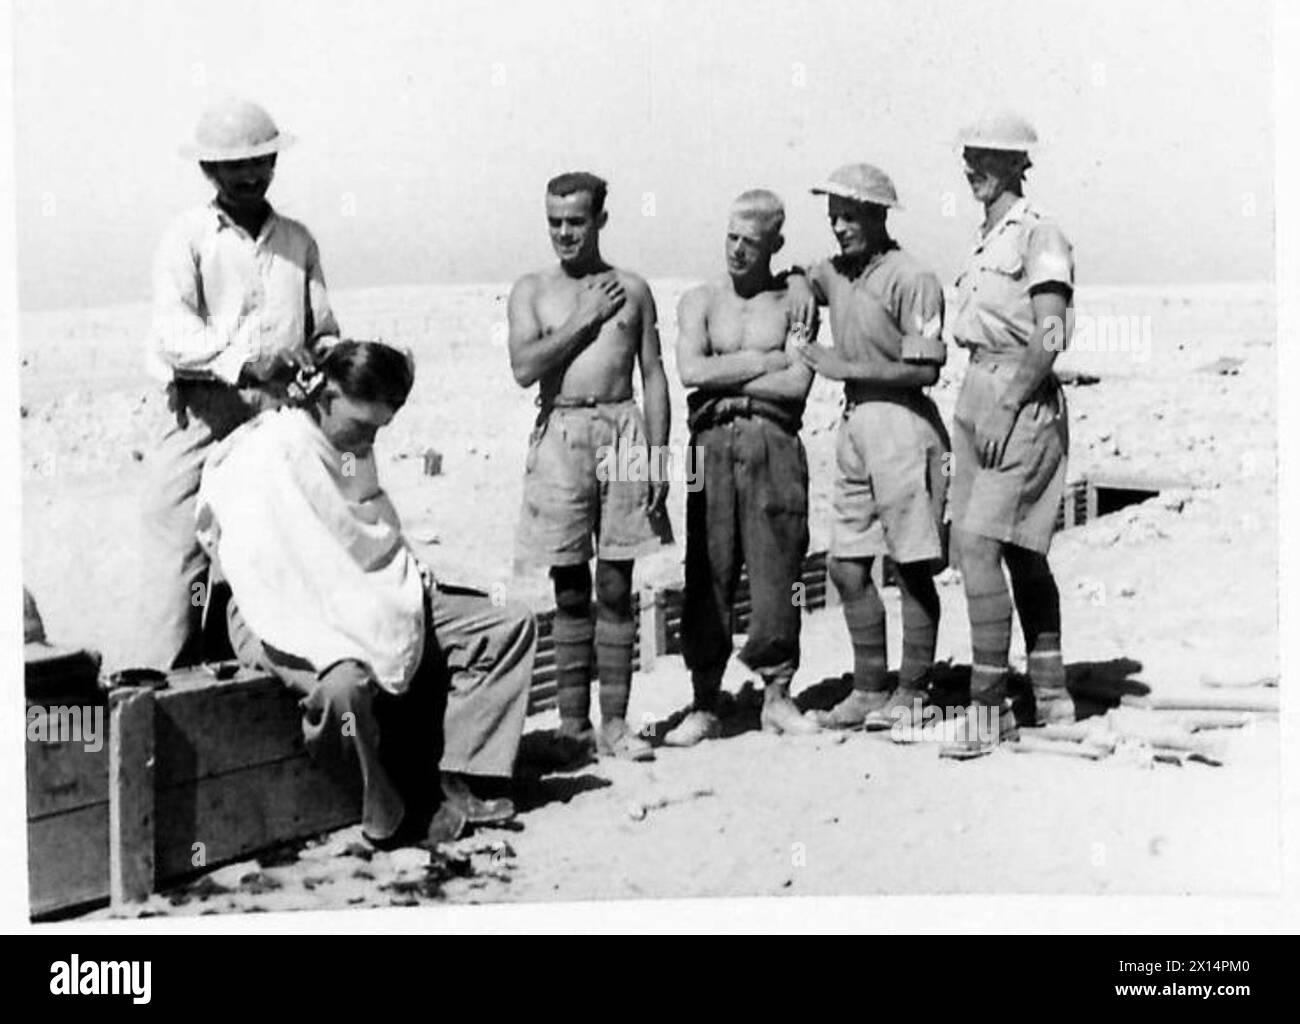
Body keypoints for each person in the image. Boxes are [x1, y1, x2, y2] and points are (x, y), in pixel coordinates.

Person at [196, 340, 536, 848]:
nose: (370, 437)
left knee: (507, 623)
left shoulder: (352, 449)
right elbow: (265, 565)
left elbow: (363, 515)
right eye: (363, 425)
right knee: (344, 690)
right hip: (276, 607)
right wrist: (347, 602)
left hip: (363, 586)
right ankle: (391, 814)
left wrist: (394, 577)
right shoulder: (269, 452)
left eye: (380, 427)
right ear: (326, 396)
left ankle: (463, 772)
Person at [131, 97, 339, 671]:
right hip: (202, 416)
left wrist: (316, 364)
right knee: (176, 553)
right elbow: (172, 333)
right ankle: (160, 690)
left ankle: (270, 691)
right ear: (210, 172)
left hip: (275, 422)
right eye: (236, 165)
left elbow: (322, 332)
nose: (251, 175)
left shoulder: (298, 241)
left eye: (261, 161)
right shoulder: (187, 236)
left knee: (275, 555)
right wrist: (251, 363)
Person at [508, 172, 671, 762]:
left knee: (617, 582)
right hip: (561, 431)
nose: (564, 233)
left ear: (601, 219)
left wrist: (657, 454)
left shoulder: (633, 288)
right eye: (554, 222)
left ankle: (617, 723)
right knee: (569, 584)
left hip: (623, 426)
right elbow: (524, 367)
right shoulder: (532, 290)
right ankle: (572, 726)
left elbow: (652, 373)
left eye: (576, 221)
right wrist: (581, 319)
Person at [786, 164, 951, 730]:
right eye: (834, 215)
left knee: (910, 567)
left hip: (904, 426)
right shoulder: (838, 272)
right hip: (856, 424)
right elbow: (801, 279)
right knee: (846, 565)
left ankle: (914, 689)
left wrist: (841, 365)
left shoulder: (912, 276)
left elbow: (926, 367)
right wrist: (793, 287)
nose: (840, 226)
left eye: (851, 215)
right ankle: (868, 687)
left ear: (880, 216)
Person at [942, 112, 1076, 758]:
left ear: (1018, 164)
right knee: (1021, 551)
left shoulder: (1040, 233)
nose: (972, 168)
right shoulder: (985, 236)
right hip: (978, 393)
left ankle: (990, 708)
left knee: (979, 546)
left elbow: (1050, 333)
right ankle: (1050, 694)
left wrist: (1010, 403)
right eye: (969, 155)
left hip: (1017, 399)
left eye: (987, 158)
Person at [666, 190, 818, 745]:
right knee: (707, 567)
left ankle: (777, 695)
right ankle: (705, 700)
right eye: (730, 237)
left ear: (775, 244)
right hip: (709, 444)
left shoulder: (794, 305)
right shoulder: (699, 302)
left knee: (778, 564)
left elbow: (797, 384)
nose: (735, 251)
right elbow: (689, 370)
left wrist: (725, 374)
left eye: (750, 243)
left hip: (773, 443)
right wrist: (763, 361)